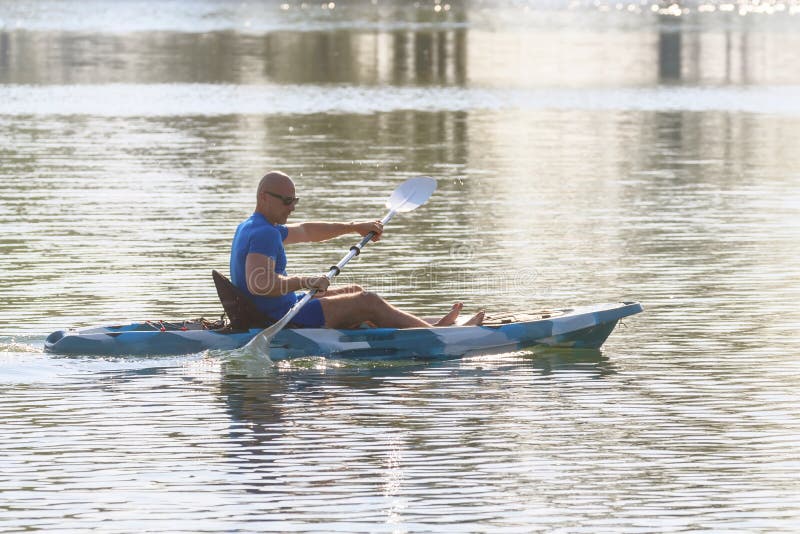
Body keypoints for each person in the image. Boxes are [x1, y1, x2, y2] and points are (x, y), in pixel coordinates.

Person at [230, 171, 484, 329]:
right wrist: (307, 280)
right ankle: (437, 335)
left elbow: (307, 231)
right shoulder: (264, 233)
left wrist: (354, 227)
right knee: (367, 301)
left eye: (294, 200)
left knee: (355, 292)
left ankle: (429, 324)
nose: (292, 206)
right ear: (264, 197)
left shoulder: (254, 226)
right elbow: (259, 284)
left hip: (280, 306)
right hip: (282, 317)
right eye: (287, 201)